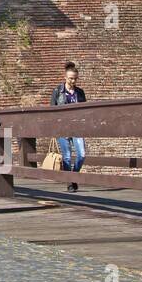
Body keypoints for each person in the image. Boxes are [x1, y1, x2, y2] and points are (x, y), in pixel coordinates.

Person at [51, 62, 88, 192]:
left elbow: (85, 110)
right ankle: (70, 183)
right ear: (65, 77)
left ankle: (73, 176)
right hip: (62, 128)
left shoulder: (80, 92)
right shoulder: (57, 91)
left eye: (75, 78)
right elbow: (52, 112)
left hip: (77, 128)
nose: (73, 81)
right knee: (66, 157)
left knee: (82, 155)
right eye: (71, 78)